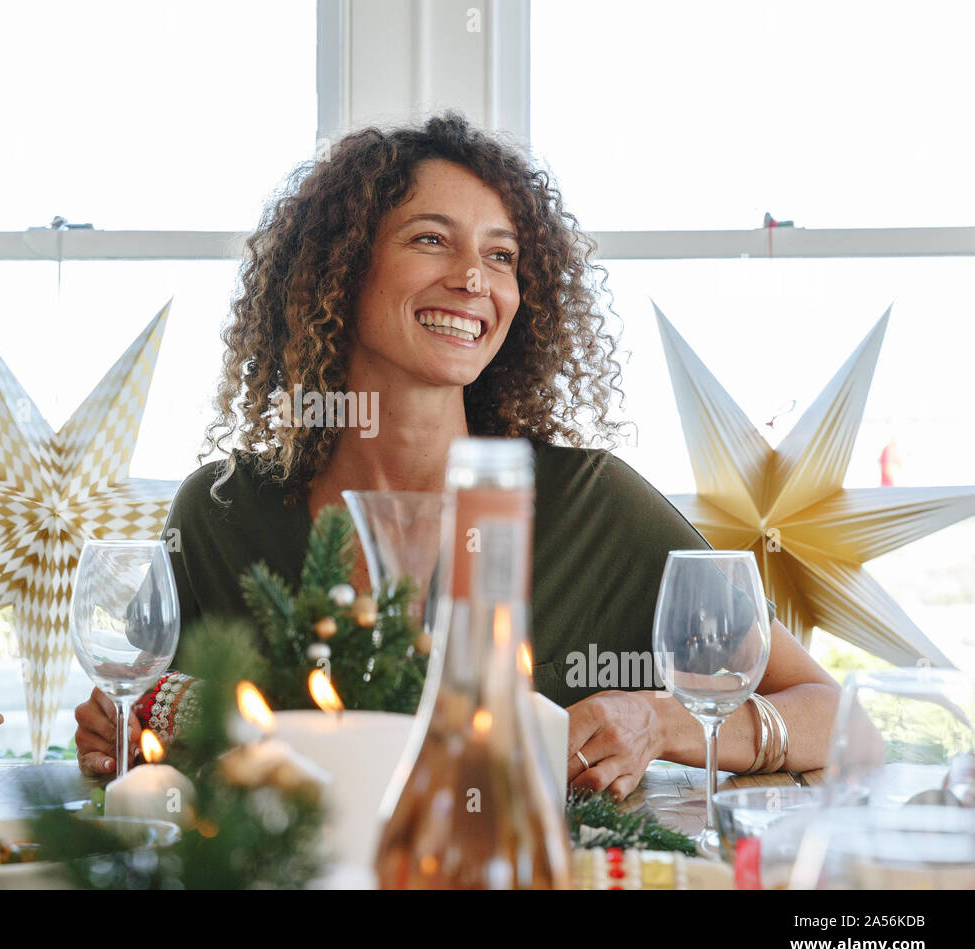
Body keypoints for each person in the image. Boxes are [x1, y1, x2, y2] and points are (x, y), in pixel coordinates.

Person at [74, 113, 840, 798]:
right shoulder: (221, 511)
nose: (474, 278)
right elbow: (143, 725)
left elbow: (827, 712)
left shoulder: (591, 505)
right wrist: (121, 738)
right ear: (338, 270)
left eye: (501, 255)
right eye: (430, 239)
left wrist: (657, 719)